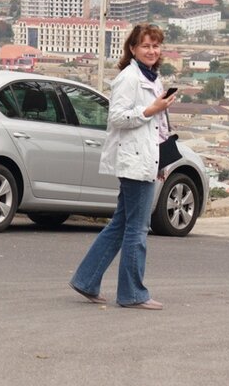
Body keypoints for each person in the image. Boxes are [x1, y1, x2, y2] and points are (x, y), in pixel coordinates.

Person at [69, 23, 176, 310]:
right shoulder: (129, 78)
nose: (152, 51)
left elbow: (157, 126)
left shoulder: (152, 77)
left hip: (145, 158)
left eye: (155, 45)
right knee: (137, 229)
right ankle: (132, 293)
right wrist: (150, 110)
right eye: (146, 45)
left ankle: (86, 279)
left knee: (120, 225)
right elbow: (116, 117)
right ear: (132, 49)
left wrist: (162, 156)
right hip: (134, 160)